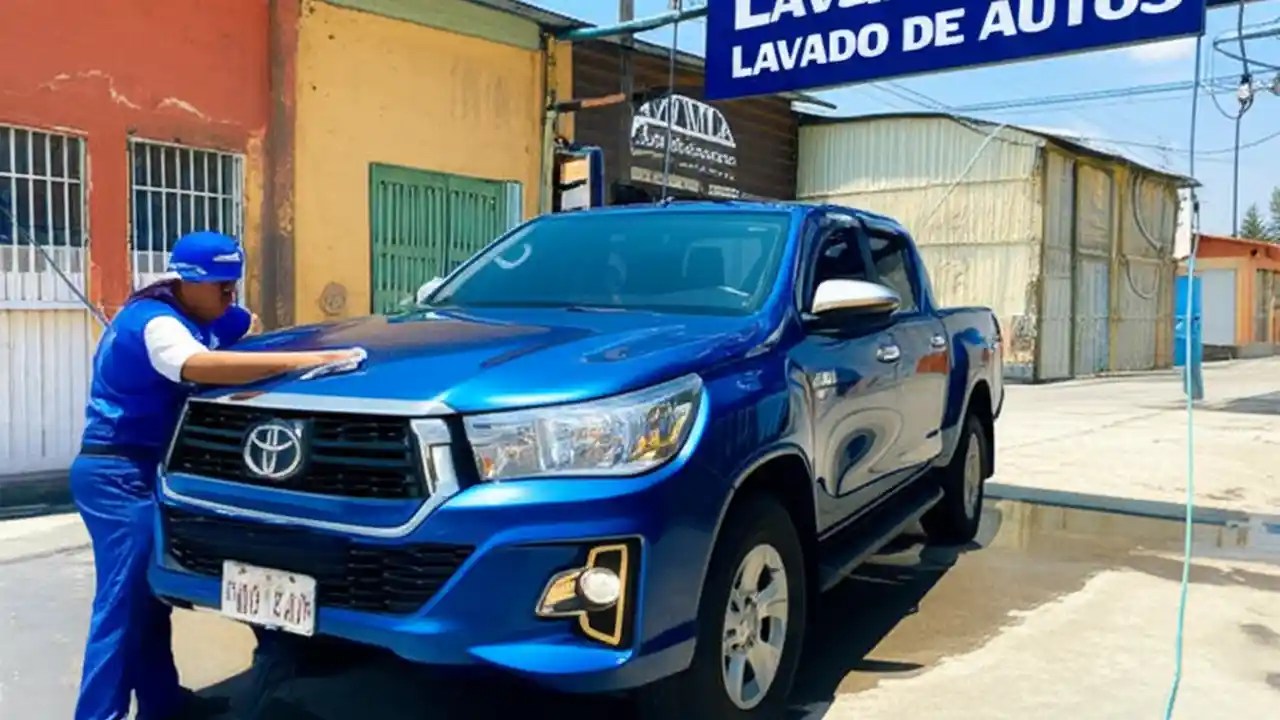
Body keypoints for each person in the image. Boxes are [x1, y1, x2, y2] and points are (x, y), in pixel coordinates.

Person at [72, 230, 362, 720]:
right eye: (220, 288)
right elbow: (195, 364)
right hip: (117, 471)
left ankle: (163, 705)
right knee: (121, 605)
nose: (230, 297)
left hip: (156, 471)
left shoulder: (200, 313)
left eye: (234, 285)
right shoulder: (155, 322)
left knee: (150, 601)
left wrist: (241, 320)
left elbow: (246, 323)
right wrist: (315, 361)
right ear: (186, 281)